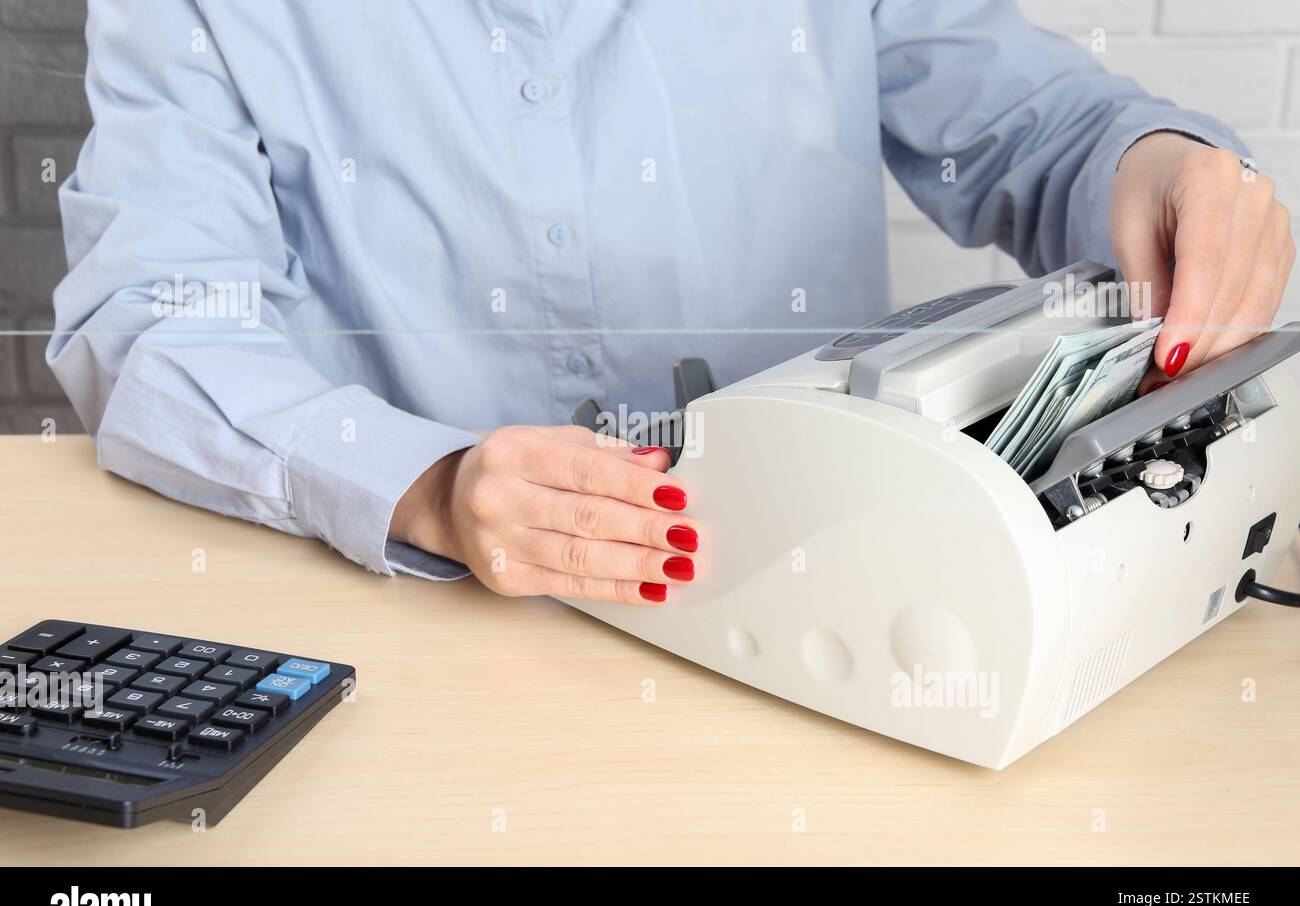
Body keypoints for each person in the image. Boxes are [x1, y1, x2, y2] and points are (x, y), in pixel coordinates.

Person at [50, 0, 1294, 606]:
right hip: (429, 618)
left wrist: (1162, 166)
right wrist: (421, 482)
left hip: (824, 589)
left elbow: (1042, 127)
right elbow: (151, 319)